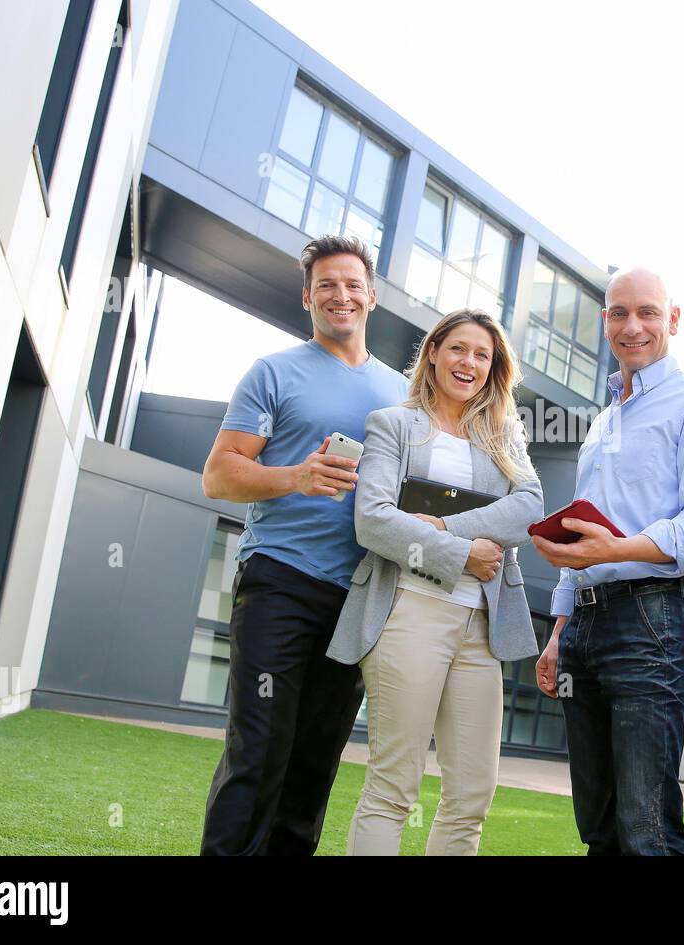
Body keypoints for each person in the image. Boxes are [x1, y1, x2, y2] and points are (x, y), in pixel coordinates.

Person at [198, 235, 408, 856]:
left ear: (371, 296)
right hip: (280, 582)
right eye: (325, 286)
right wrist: (296, 476)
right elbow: (219, 474)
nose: (339, 295)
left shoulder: (404, 393)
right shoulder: (273, 373)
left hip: (360, 598)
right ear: (308, 298)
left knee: (316, 759)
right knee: (259, 747)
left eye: (351, 284)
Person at [532, 267, 684, 856]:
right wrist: (559, 633)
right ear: (605, 324)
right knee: (597, 829)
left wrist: (616, 549)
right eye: (619, 313)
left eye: (648, 312)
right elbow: (581, 540)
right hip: (585, 628)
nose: (633, 325)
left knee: (645, 830)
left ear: (673, 321)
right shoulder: (601, 424)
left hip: (654, 621)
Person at [326, 308, 543, 856]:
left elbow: (530, 507)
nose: (468, 362)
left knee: (471, 794)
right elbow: (373, 519)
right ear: (433, 354)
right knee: (393, 787)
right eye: (458, 349)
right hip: (408, 612)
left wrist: (445, 527)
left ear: (494, 370)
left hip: (481, 626)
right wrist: (461, 554)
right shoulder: (393, 424)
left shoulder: (504, 436)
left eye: (482, 355)